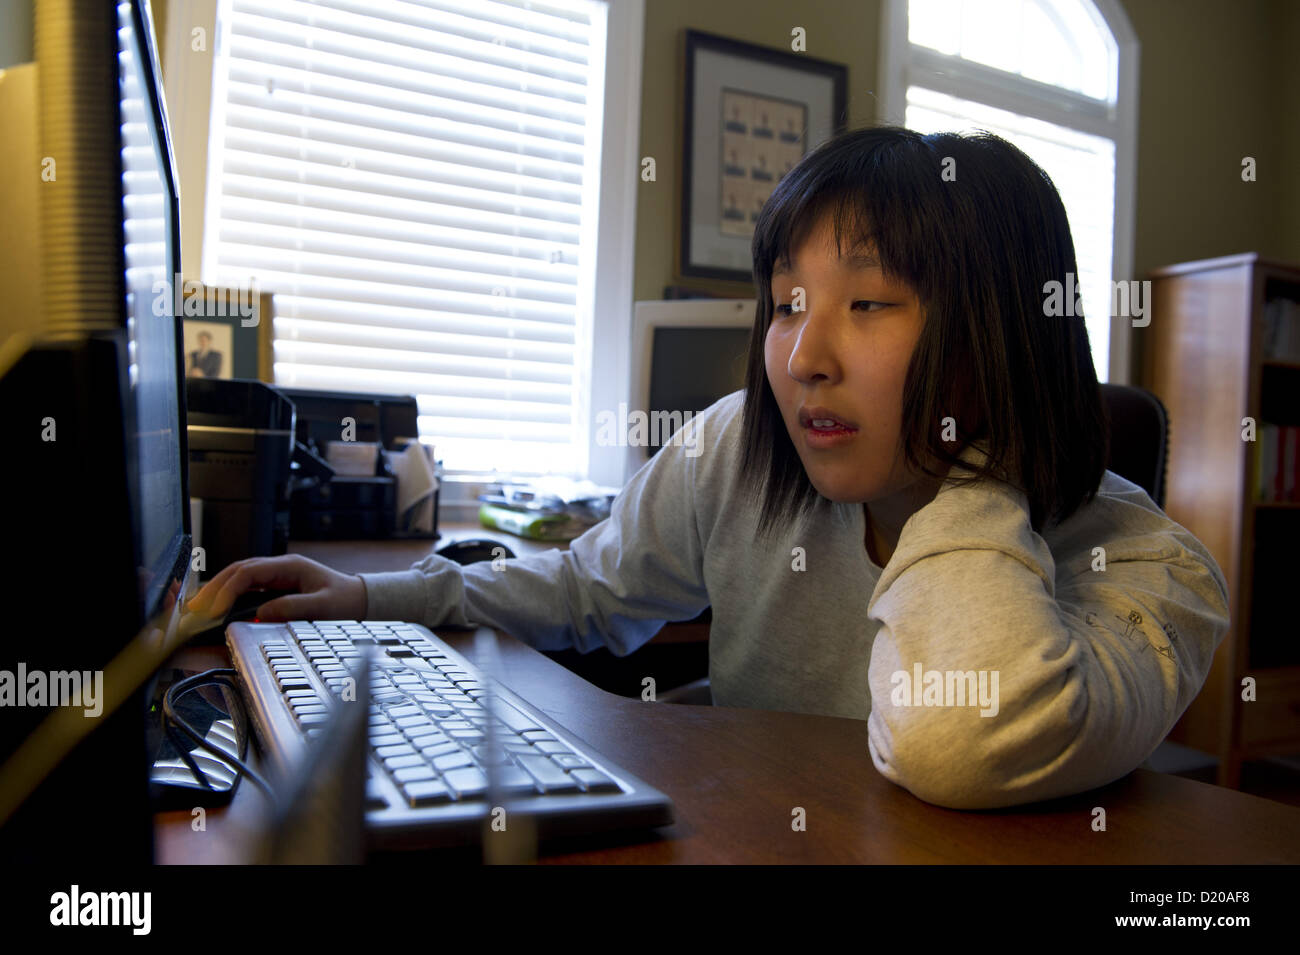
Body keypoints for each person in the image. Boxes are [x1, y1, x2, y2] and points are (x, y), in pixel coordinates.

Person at [186, 126, 1230, 810]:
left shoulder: (1151, 576)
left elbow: (961, 740)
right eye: (786, 302)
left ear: (1001, 332)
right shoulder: (741, 447)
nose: (802, 356)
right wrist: (373, 594)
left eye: (865, 304)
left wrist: (974, 470)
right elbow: (590, 589)